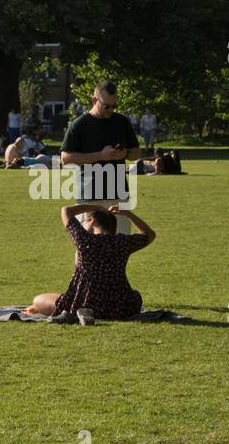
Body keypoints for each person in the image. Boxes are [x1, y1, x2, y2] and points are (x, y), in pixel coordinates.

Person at [24, 203, 156, 322]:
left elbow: (66, 210)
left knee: (37, 300)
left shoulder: (85, 241)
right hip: (120, 307)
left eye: (86, 220)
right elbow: (149, 234)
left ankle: (44, 307)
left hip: (85, 304)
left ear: (92, 221)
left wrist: (95, 206)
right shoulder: (122, 242)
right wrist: (127, 213)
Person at [60, 81, 140, 233]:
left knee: (120, 243)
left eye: (114, 106)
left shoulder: (122, 122)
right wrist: (100, 155)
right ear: (94, 101)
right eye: (106, 106)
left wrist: (126, 154)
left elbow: (136, 152)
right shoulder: (79, 125)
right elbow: (66, 158)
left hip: (118, 194)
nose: (110, 110)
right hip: (89, 196)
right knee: (87, 247)